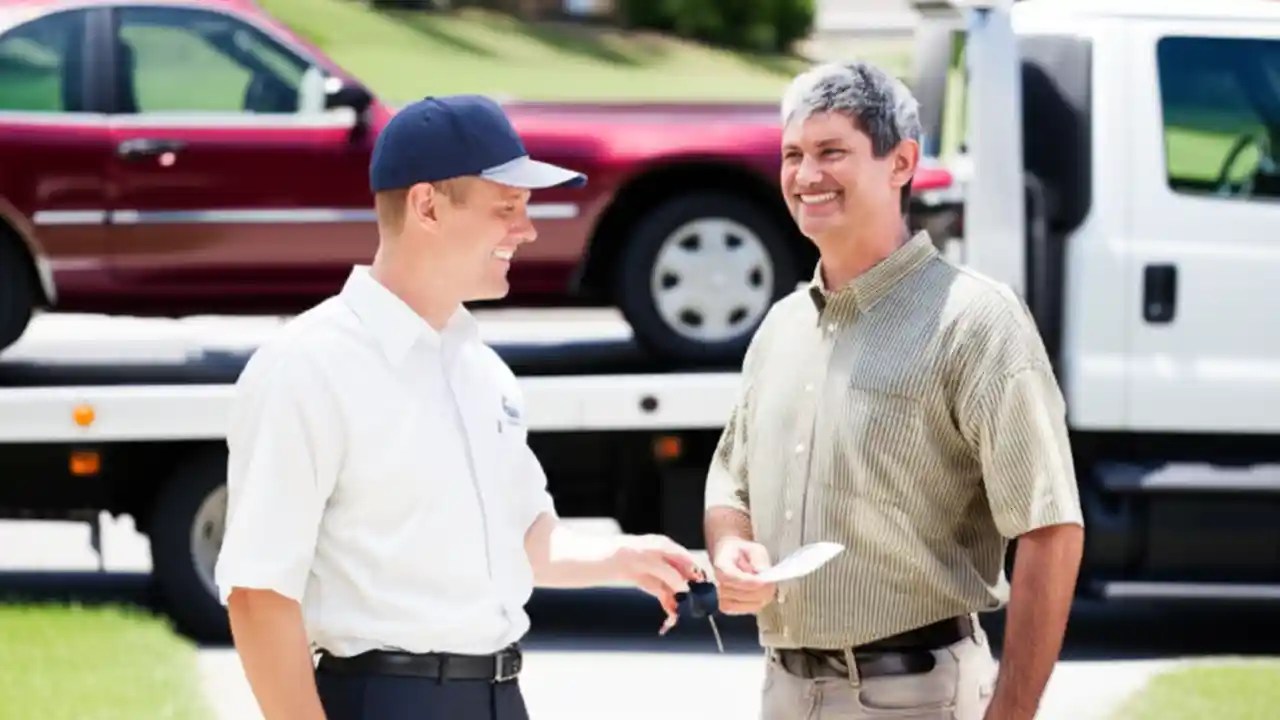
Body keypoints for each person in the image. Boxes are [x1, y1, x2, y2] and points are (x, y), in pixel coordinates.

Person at [214, 94, 703, 720]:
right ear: (427, 206)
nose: (526, 230)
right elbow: (258, 593)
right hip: (386, 700)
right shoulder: (307, 366)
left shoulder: (480, 368)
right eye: (507, 209)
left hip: (500, 697)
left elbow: (527, 538)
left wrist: (622, 558)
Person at [702, 61, 1086, 720]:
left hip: (917, 695)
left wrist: (1013, 711)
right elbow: (729, 479)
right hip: (783, 693)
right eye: (793, 154)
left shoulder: (976, 320)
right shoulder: (781, 326)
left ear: (900, 163)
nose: (805, 175)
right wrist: (730, 545)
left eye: (832, 152)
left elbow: (1051, 527)